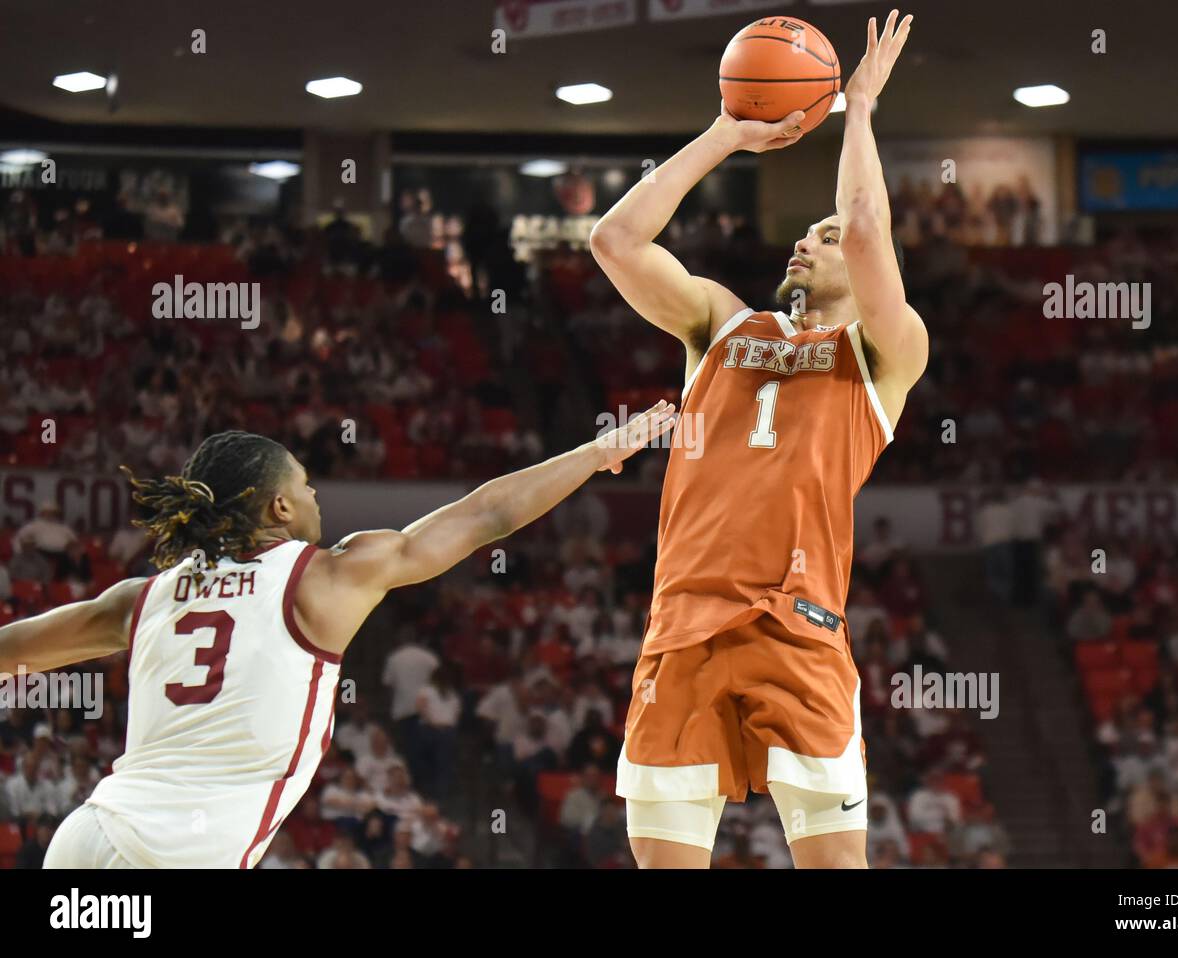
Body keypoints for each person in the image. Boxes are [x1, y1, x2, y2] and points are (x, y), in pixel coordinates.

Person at [3, 406, 672, 869]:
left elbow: (15, 649)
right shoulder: (324, 577)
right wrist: (595, 453)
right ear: (280, 507)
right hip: (171, 857)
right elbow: (485, 516)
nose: (317, 492)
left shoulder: (141, 597)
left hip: (86, 835)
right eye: (306, 483)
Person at [590, 11, 925, 869]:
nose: (807, 242)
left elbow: (864, 228)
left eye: (822, 236)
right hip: (682, 627)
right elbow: (616, 241)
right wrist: (724, 134)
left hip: (799, 628)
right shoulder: (719, 324)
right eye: (802, 233)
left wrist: (858, 111)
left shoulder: (884, 353)